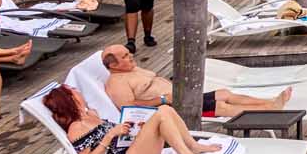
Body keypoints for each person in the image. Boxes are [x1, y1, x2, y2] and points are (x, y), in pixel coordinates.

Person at [43, 84, 226, 154]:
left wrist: (138, 128)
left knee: (164, 110)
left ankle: (192, 147)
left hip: (130, 150)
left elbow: (118, 135)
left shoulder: (91, 114)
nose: (78, 90)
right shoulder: (76, 127)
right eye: (74, 90)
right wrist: (110, 136)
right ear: (70, 99)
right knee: (161, 112)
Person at [101, 44, 293, 119]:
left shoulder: (132, 69)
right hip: (172, 109)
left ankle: (269, 103)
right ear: (114, 65)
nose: (131, 56)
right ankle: (269, 111)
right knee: (221, 106)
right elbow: (129, 109)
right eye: (125, 56)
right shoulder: (116, 84)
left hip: (181, 98)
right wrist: (161, 99)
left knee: (224, 93)